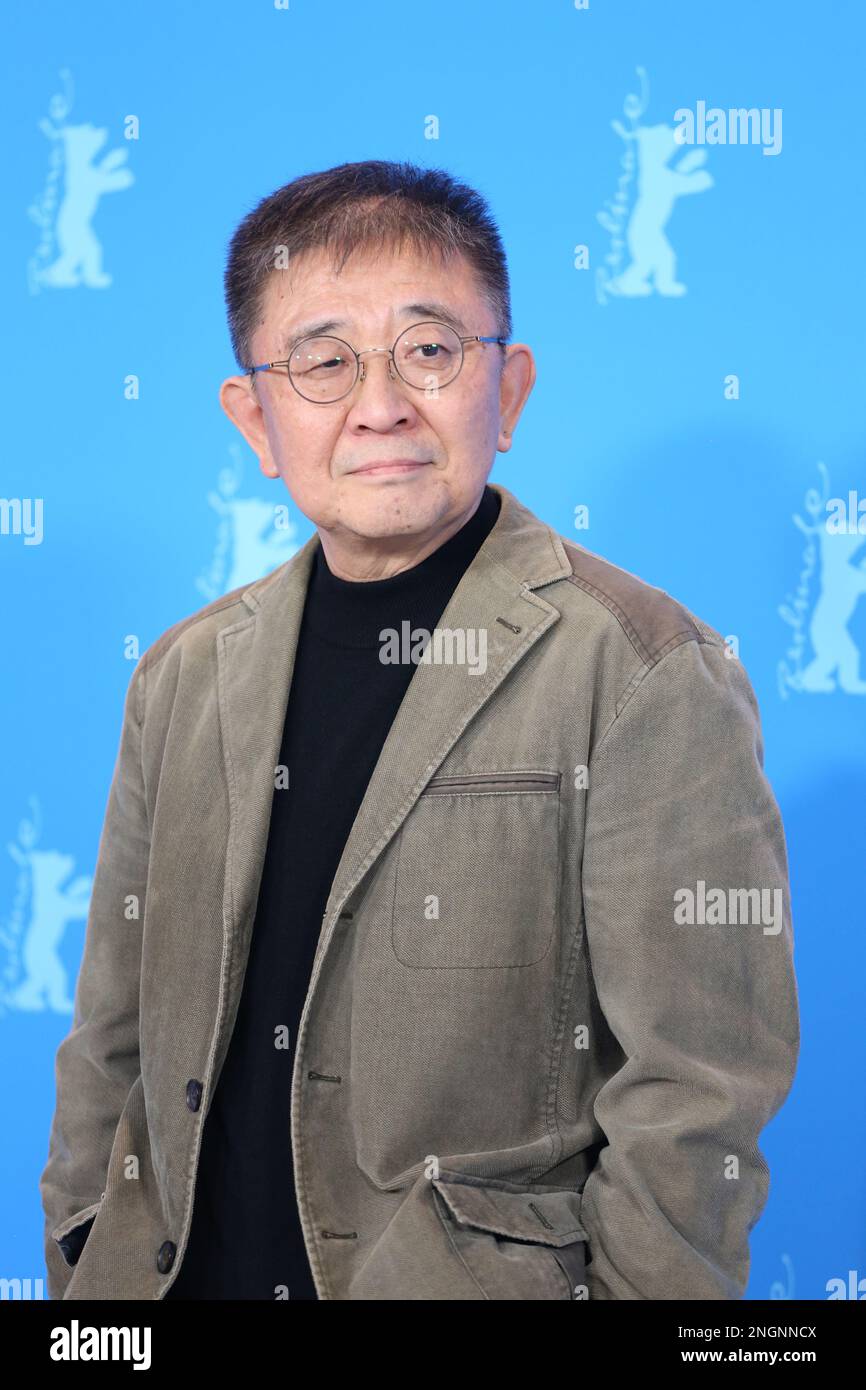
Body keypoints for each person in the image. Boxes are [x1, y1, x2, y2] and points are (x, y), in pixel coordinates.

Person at [40, 159, 800, 1301]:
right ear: (254, 418)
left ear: (510, 389)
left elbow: (700, 1090)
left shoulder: (642, 669)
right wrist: (80, 1248)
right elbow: (111, 1034)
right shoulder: (182, 674)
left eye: (429, 349)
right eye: (323, 361)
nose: (380, 403)